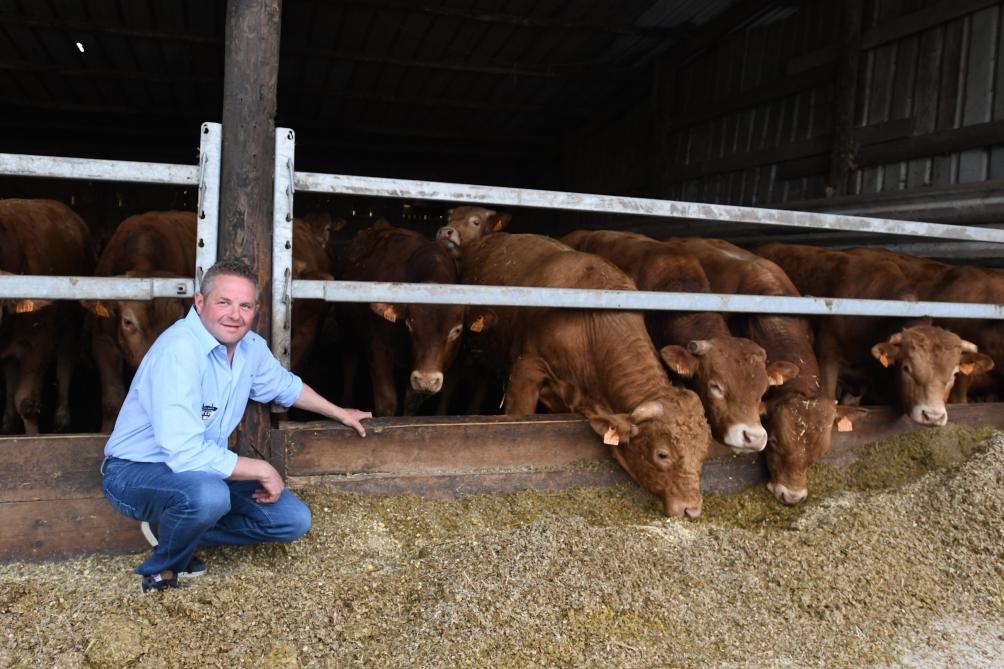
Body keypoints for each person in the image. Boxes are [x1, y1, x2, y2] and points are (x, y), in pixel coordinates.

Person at [100, 258, 371, 593]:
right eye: (223, 302)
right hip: (134, 472)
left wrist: (339, 412)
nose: (235, 314)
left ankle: (170, 527)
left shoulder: (250, 348)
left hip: (200, 471)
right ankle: (162, 571)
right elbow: (183, 453)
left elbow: (285, 386)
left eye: (245, 305)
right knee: (209, 495)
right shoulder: (179, 351)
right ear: (200, 303)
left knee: (292, 520)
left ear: (256, 310)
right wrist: (260, 468)